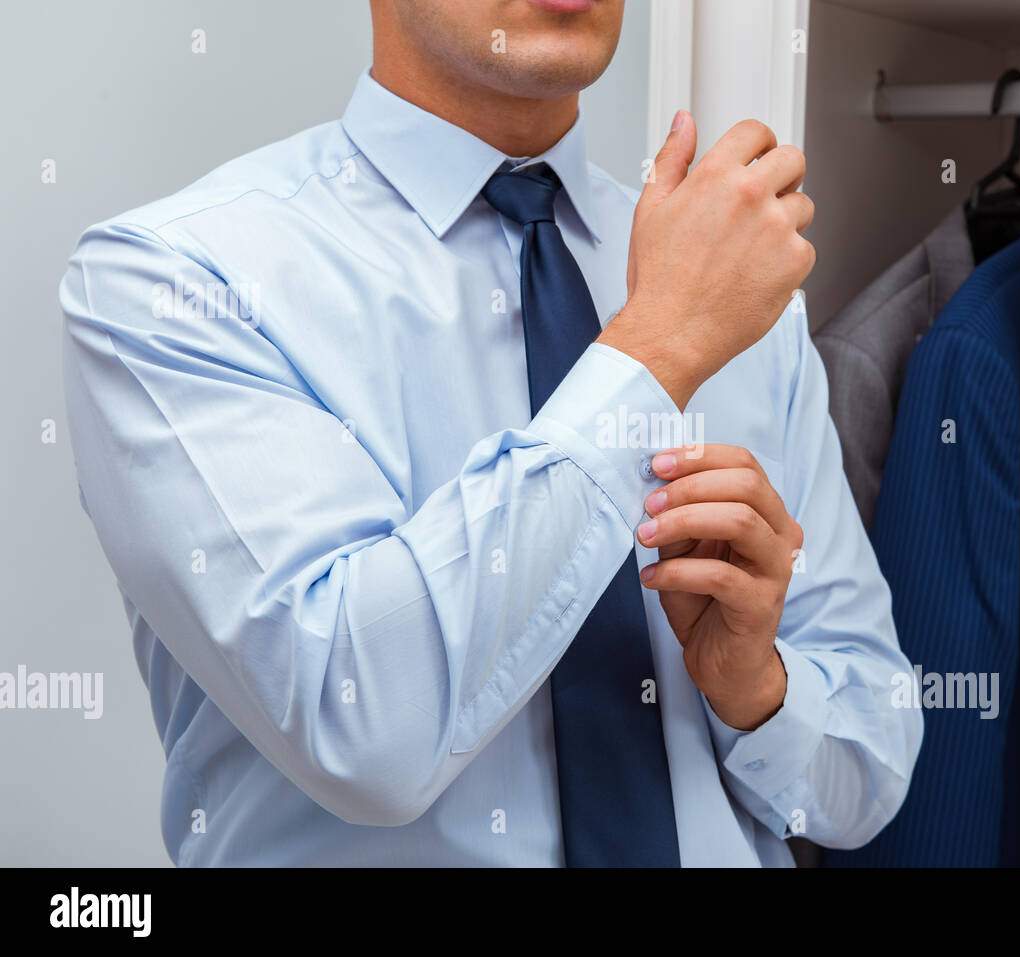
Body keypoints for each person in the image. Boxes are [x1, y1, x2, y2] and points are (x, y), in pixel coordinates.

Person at [58, 0, 920, 866]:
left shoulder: (739, 294)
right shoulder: (176, 283)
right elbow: (358, 727)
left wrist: (756, 692)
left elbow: (869, 774)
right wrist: (659, 346)